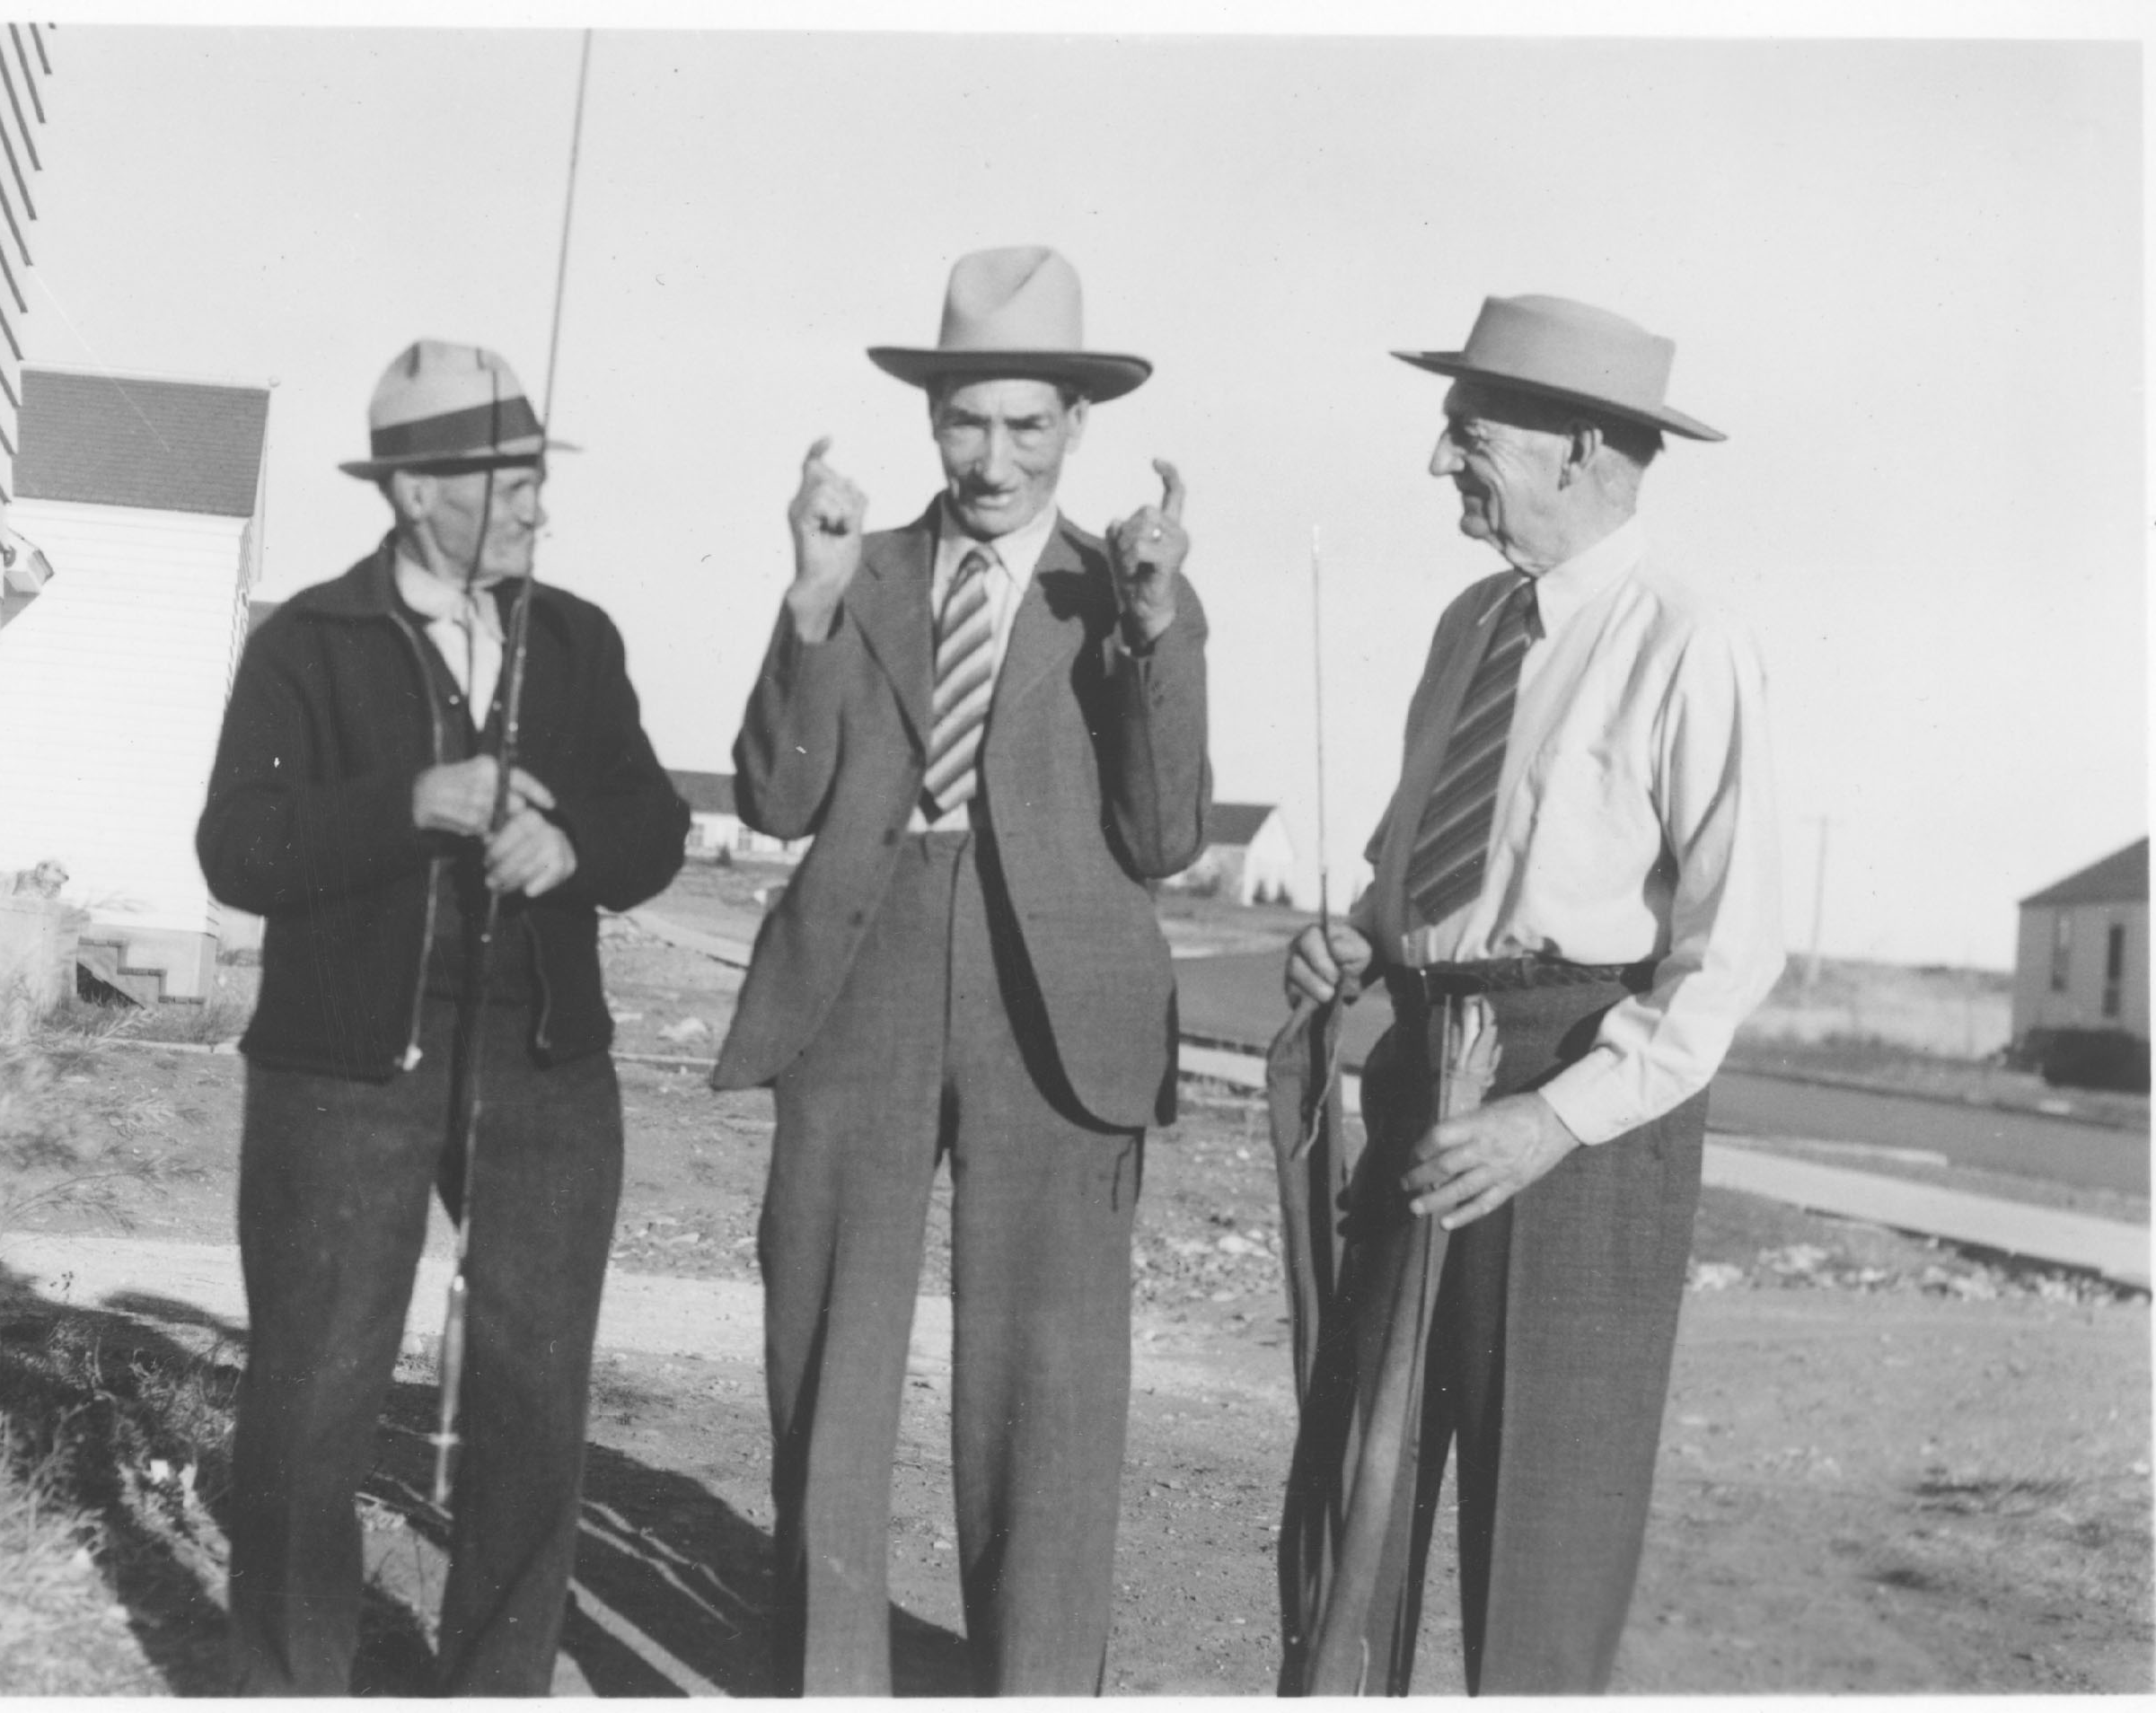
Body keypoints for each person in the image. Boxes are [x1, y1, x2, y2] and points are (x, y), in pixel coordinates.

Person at [709, 246, 1213, 1694]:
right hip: (860, 978)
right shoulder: (858, 576)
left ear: (1077, 429)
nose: (993, 460)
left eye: (1027, 427)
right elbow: (777, 800)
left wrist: (1158, 625)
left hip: (1059, 1003)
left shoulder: (1128, 591)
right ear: (930, 421)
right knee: (828, 1362)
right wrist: (806, 601)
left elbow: (1166, 831)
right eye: (965, 423)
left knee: (1048, 1392)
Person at [1277, 294, 1784, 1694]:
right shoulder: (1468, 626)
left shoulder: (1690, 642)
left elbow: (1728, 952)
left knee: (1543, 1544)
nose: (1444, 464)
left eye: (1467, 434)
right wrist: (1364, 948)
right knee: (1351, 1501)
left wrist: (1552, 1122)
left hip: (1579, 1112)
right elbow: (1414, 871)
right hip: (1424, 1080)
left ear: (1580, 447)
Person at [198, 339, 690, 1695]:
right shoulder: (307, 641)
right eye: (508, 480)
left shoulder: (579, 641)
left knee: (533, 1411)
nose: (538, 504)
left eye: (539, 476)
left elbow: (655, 827)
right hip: (342, 1075)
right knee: (312, 1404)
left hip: (547, 1074)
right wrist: (407, 804)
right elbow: (238, 849)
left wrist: (571, 844)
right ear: (417, 492)